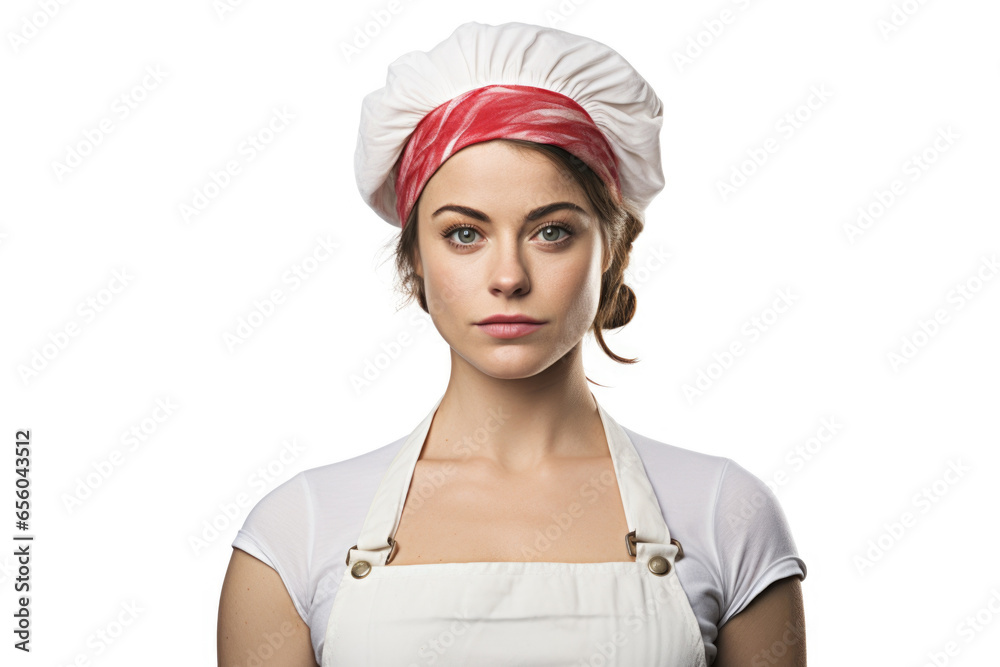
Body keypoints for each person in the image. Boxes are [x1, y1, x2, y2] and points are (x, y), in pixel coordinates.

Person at [218, 21, 807, 667]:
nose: (508, 277)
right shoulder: (297, 530)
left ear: (612, 253)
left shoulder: (726, 513)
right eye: (464, 234)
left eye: (551, 231)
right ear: (415, 260)